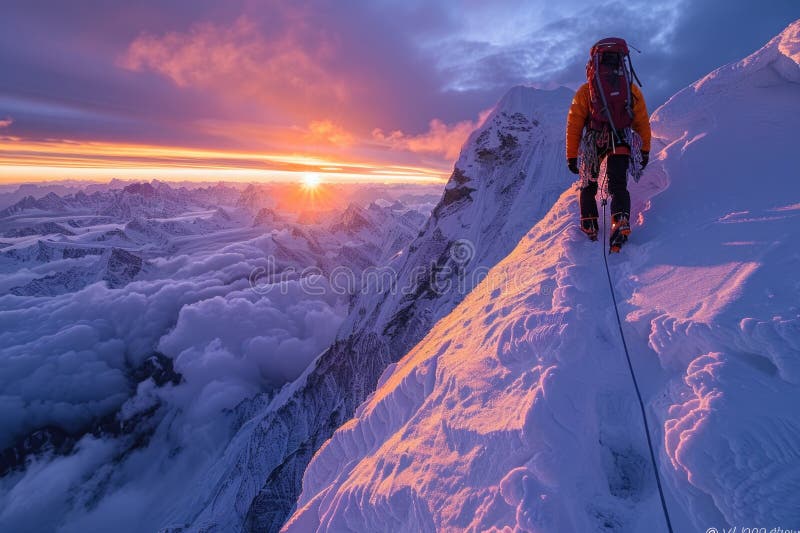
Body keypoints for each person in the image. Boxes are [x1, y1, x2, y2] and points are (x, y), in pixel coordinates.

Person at [565, 38, 651, 246]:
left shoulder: (586, 92)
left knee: (588, 183)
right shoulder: (630, 89)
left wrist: (572, 156)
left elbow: (574, 124)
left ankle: (589, 222)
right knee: (618, 184)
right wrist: (645, 150)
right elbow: (641, 121)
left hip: (595, 141)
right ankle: (620, 220)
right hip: (621, 138)